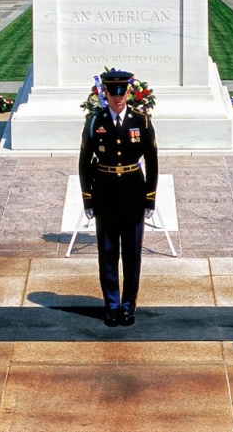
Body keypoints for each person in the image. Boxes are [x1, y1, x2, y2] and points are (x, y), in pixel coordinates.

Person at [79, 71, 159, 327]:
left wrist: (150, 198)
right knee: (108, 252)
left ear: (128, 93)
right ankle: (111, 305)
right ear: (105, 94)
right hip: (105, 192)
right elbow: (84, 162)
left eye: (121, 92)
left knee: (132, 255)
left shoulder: (141, 121)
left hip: (134, 193)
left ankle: (128, 305)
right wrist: (88, 199)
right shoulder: (95, 121)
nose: (117, 98)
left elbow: (152, 161)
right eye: (112, 93)